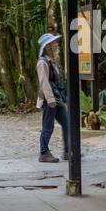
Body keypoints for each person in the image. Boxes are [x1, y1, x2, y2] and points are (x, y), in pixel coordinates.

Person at [36, 33, 71, 163]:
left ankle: (68, 151)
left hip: (57, 99)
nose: (56, 44)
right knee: (48, 127)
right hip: (49, 100)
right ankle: (44, 153)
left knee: (67, 124)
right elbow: (44, 82)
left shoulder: (52, 61)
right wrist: (50, 100)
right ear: (48, 46)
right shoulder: (42, 63)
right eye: (54, 42)